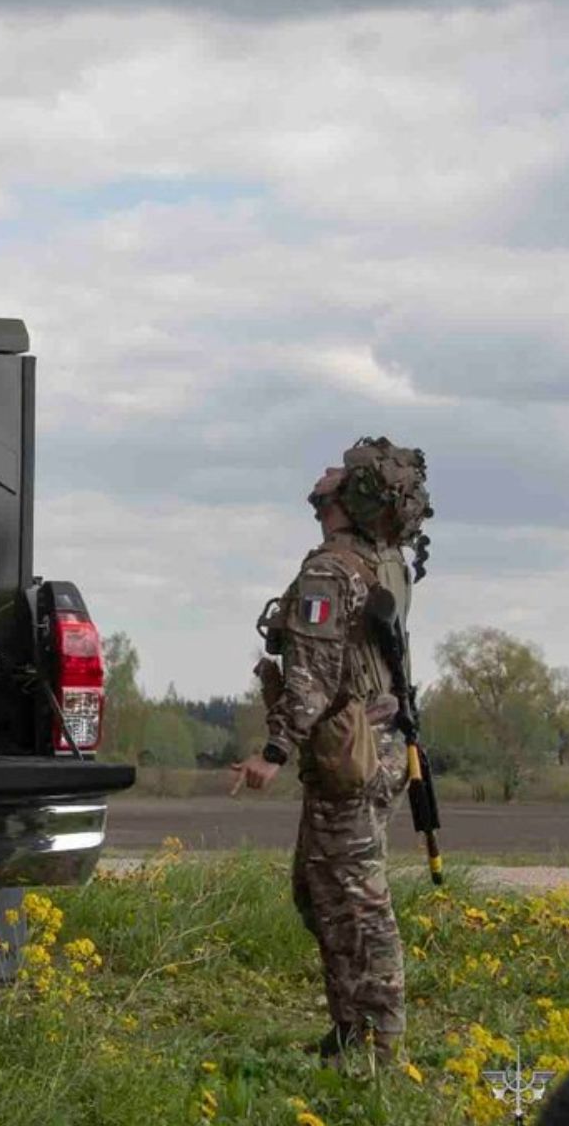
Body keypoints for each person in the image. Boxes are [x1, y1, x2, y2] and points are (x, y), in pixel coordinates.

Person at [229, 438, 432, 1067]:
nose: (324, 472)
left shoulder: (330, 569)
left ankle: (376, 1043)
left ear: (349, 498)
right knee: (319, 889)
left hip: (352, 753)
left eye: (338, 471)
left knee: (353, 898)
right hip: (379, 744)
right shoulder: (386, 559)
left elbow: (311, 674)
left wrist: (273, 750)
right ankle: (353, 1025)